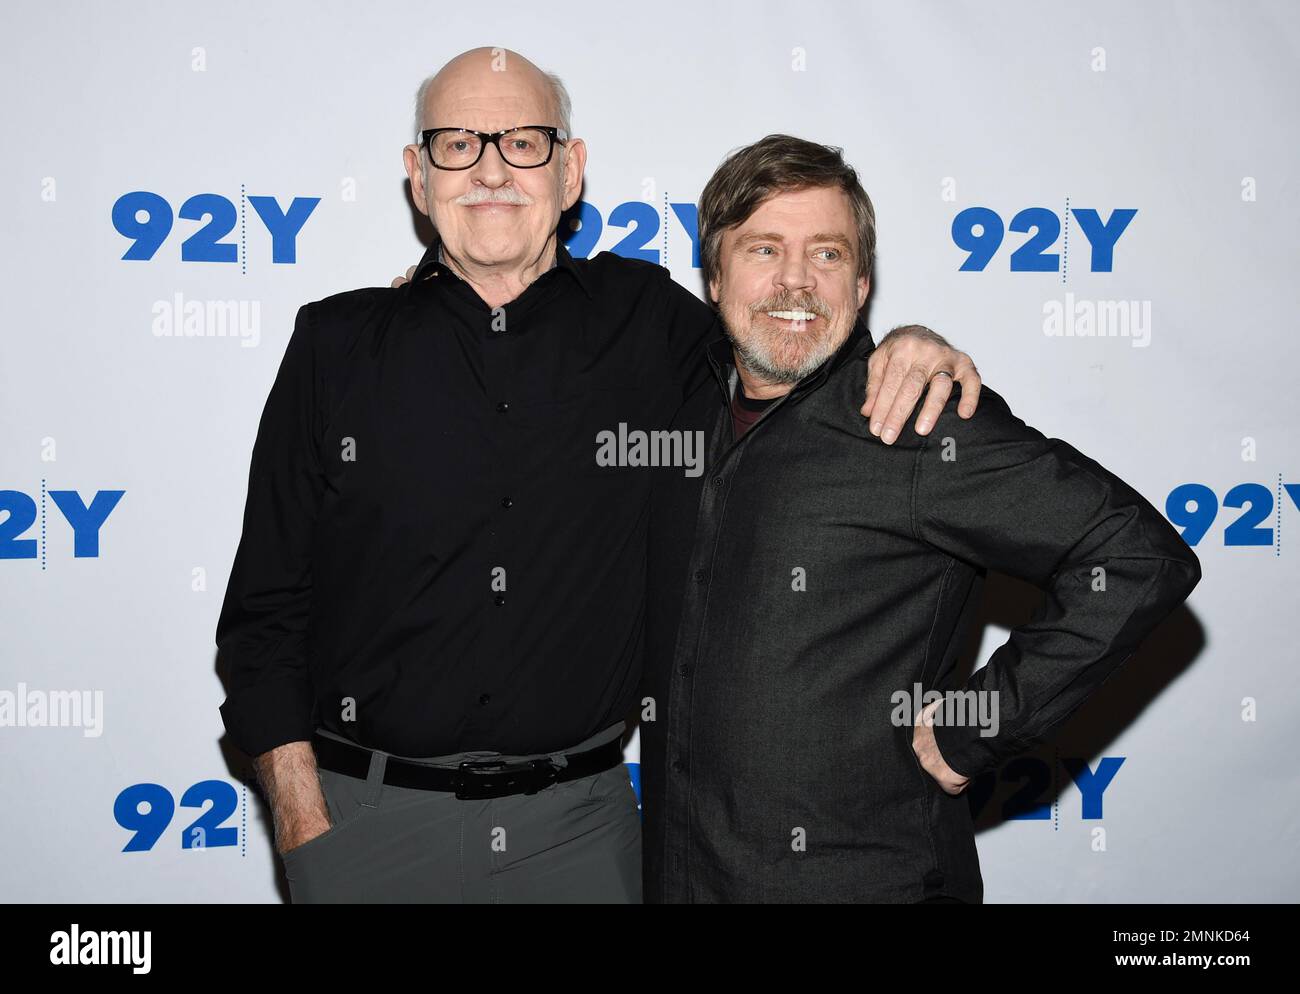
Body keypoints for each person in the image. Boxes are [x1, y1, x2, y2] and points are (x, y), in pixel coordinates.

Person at [216, 47, 981, 904]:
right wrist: (302, 826)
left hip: (583, 838)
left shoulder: (649, 320)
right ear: (419, 176)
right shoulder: (335, 345)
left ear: (570, 171)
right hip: (367, 828)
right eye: (458, 145)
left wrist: (912, 346)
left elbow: (792, 342)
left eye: (525, 143)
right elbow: (264, 612)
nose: (493, 170)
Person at [640, 134, 1202, 903]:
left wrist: (980, 721)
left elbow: (1139, 558)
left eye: (828, 254)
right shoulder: (682, 413)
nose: (796, 280)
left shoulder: (916, 421)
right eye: (763, 249)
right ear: (714, 277)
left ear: (863, 282)